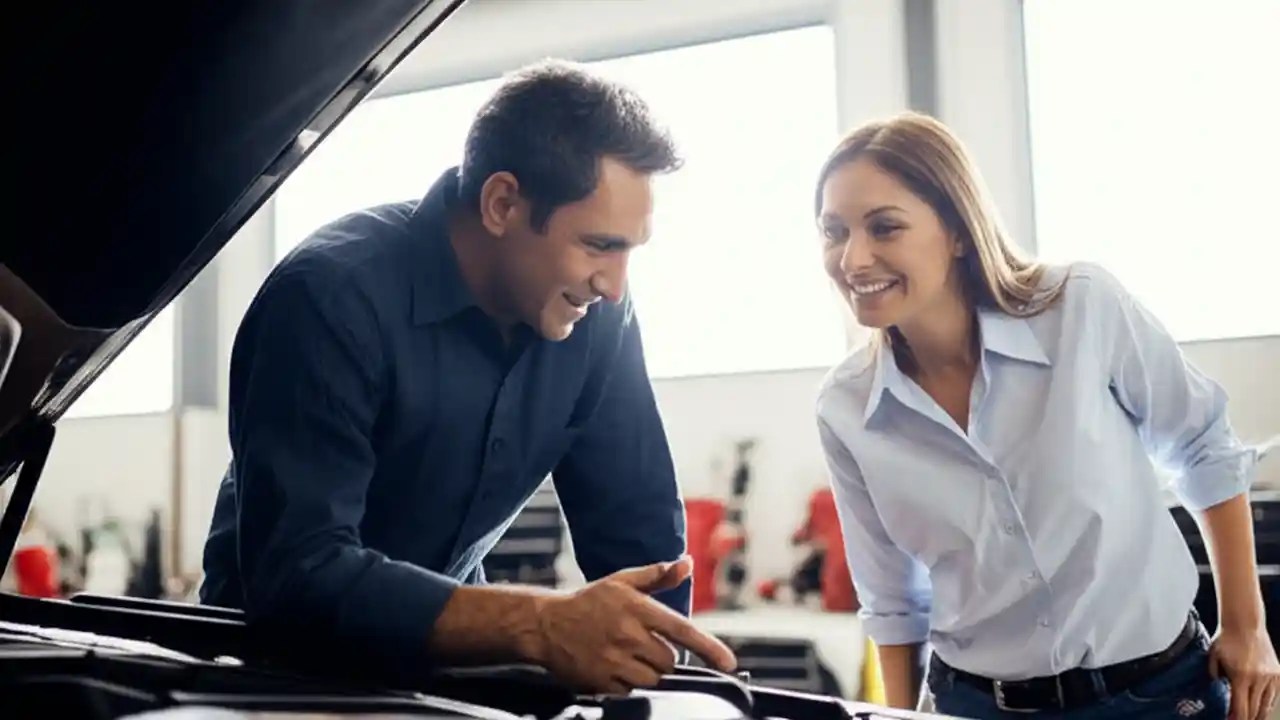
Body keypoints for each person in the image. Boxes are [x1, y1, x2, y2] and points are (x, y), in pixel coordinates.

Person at [199, 59, 736, 693]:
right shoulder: (329, 298)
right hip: (275, 680)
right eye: (598, 246)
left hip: (450, 673)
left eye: (629, 250)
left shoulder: (598, 317)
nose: (615, 287)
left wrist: (651, 683)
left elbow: (639, 538)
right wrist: (539, 622)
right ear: (502, 203)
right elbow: (300, 576)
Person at [812, 111, 1278, 719]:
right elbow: (892, 600)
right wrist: (902, 717)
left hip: (1160, 695)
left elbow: (1203, 445)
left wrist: (1246, 627)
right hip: (977, 705)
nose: (853, 259)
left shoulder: (1079, 309)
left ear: (957, 231)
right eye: (833, 231)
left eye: (884, 227)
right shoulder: (845, 407)